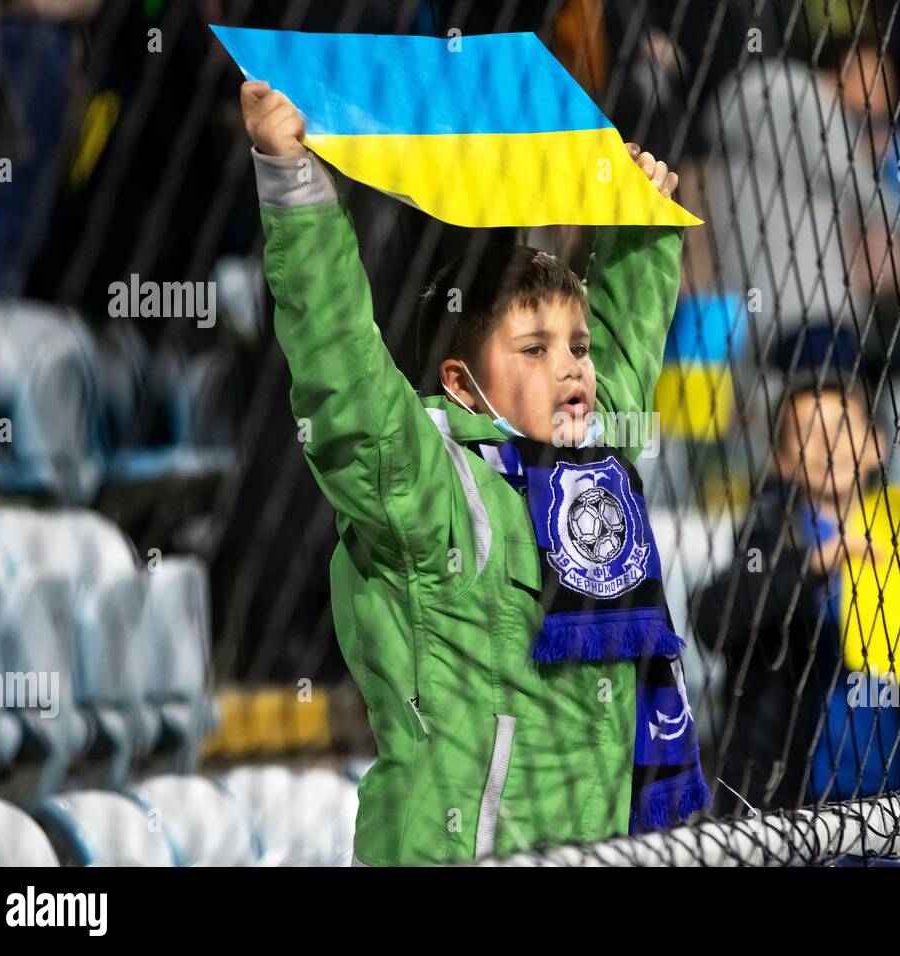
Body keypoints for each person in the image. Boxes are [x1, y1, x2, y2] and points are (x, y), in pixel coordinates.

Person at [239, 80, 709, 865]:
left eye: (577, 348)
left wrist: (641, 222)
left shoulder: (586, 471)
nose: (574, 370)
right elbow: (344, 371)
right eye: (535, 349)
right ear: (462, 385)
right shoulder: (434, 486)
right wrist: (292, 182)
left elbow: (625, 351)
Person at [694, 366, 900, 814]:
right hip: (790, 806)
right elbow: (713, 619)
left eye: (843, 428)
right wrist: (813, 564)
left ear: (877, 445)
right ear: (781, 458)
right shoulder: (767, 534)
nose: (829, 447)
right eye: (809, 433)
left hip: (898, 799)